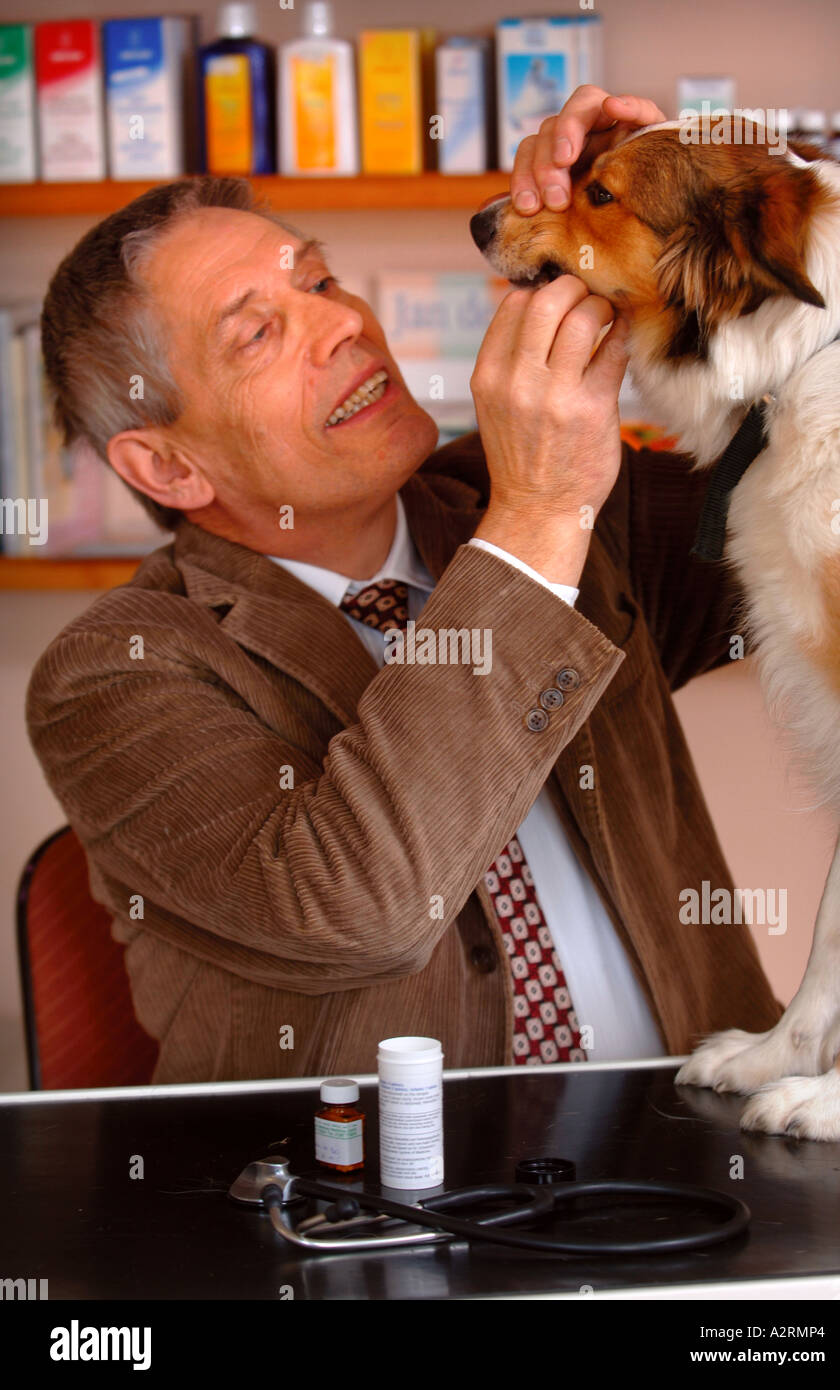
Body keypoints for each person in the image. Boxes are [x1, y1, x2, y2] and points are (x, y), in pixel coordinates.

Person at [26, 88, 782, 1083]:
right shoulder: (113, 674)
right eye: (257, 335)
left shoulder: (544, 498)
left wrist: (687, 201)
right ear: (167, 467)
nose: (342, 326)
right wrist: (537, 519)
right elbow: (361, 909)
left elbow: (827, 491)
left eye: (323, 281)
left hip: (695, 1173)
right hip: (366, 1216)